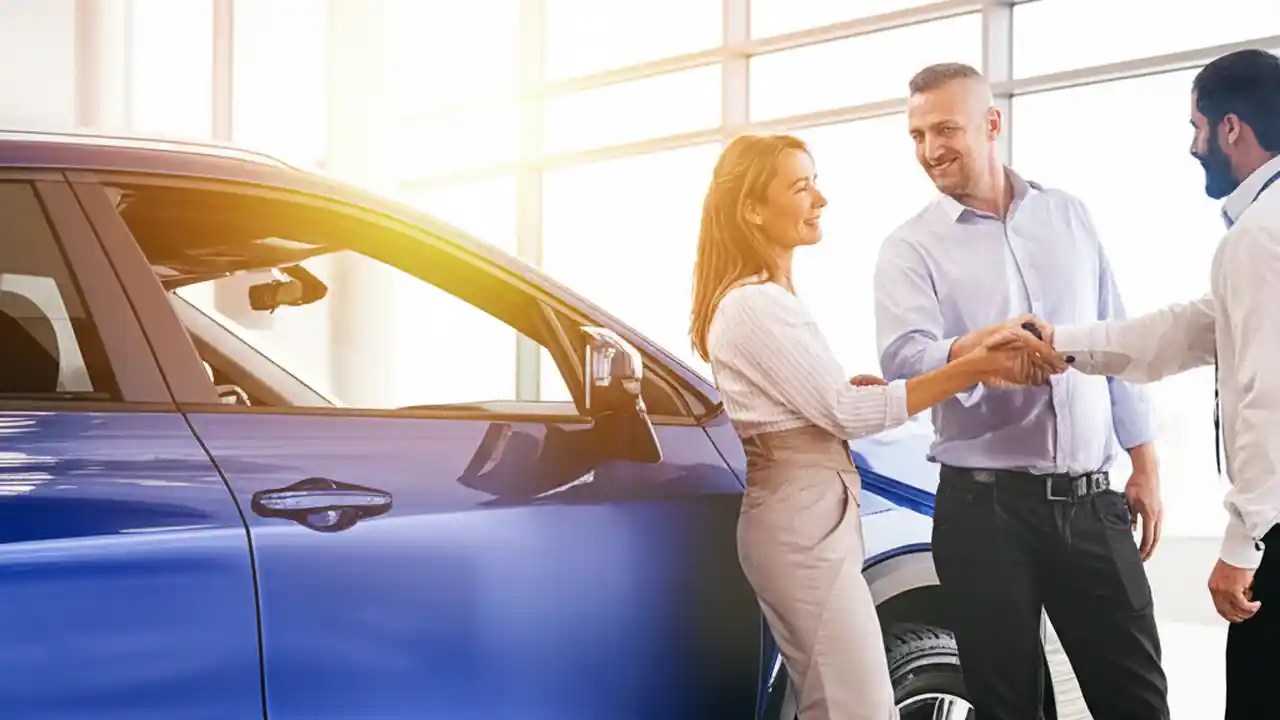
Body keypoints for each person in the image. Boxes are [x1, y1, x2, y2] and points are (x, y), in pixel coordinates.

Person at [689, 133, 1062, 720]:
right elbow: (846, 414)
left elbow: (827, 405)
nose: (821, 199)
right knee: (853, 707)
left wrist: (890, 384)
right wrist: (976, 366)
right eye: (801, 185)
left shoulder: (766, 301)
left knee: (844, 702)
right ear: (753, 210)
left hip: (808, 513)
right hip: (800, 521)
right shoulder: (754, 305)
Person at [872, 62, 1170, 719]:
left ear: (991, 124)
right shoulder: (908, 248)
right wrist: (981, 350)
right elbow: (903, 358)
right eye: (917, 135)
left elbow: (1114, 338)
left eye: (945, 129)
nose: (930, 149)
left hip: (1093, 505)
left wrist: (1144, 460)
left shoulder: (1068, 215)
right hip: (985, 514)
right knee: (1010, 707)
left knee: (1139, 700)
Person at [1029, 48, 1280, 719]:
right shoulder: (1263, 228)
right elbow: (1191, 331)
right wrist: (1065, 343)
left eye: (1197, 127)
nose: (1193, 145)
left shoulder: (1259, 236)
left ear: (1231, 129)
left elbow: (1267, 398)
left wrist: (1241, 545)